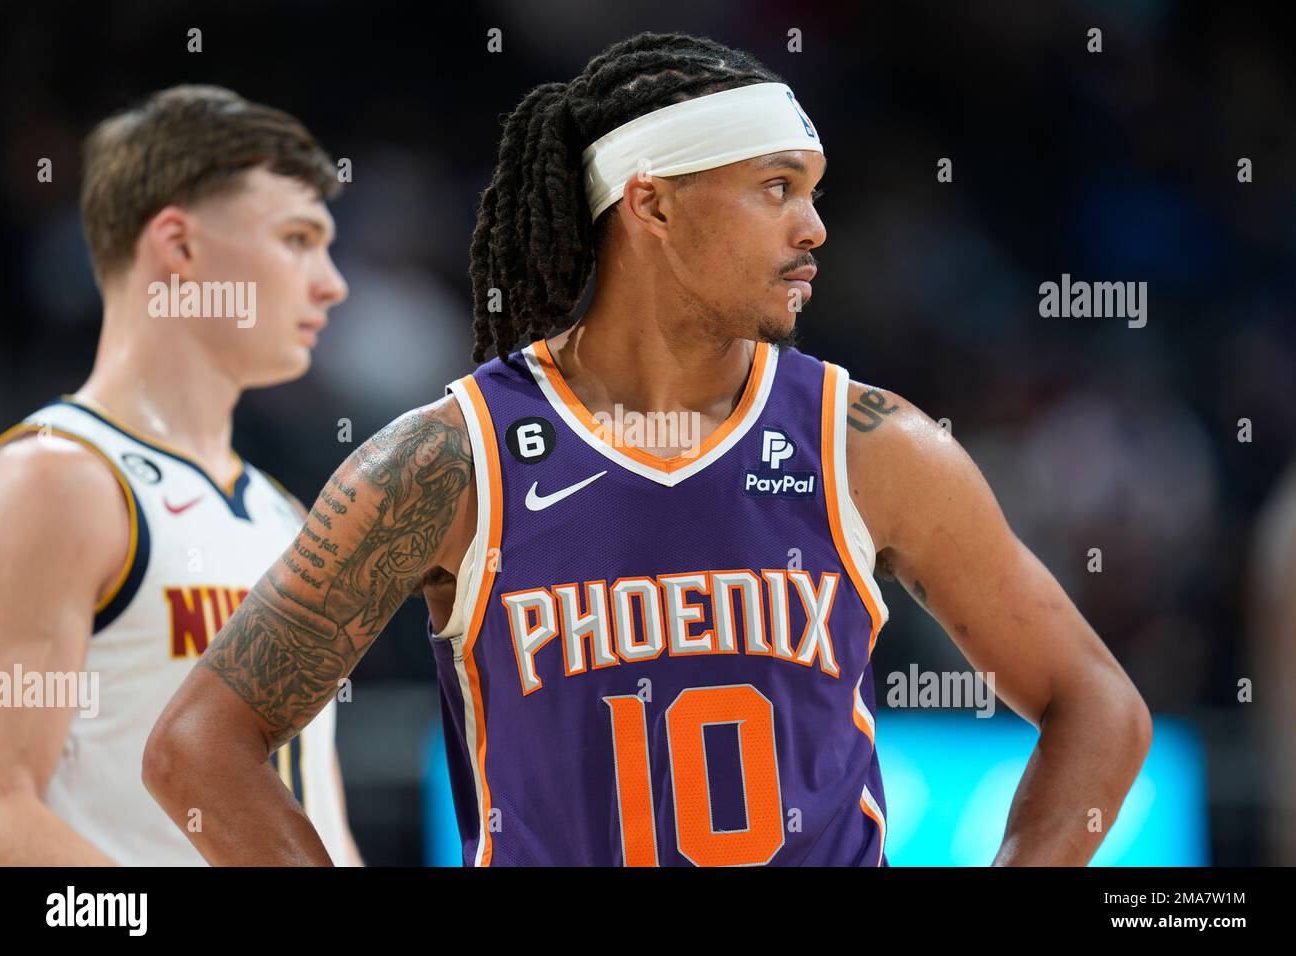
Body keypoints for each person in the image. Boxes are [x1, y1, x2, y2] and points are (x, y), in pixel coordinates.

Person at [145, 34, 1151, 866]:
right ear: (652, 202)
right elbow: (198, 745)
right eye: (774, 187)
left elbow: (1096, 701)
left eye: (813, 189)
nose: (814, 226)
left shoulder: (871, 445)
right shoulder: (451, 461)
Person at [0, 85, 361, 865]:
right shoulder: (56, 481)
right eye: (298, 238)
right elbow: (1, 810)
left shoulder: (285, 513)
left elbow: (319, 815)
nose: (332, 282)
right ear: (180, 246)